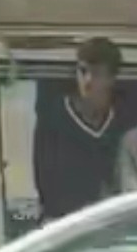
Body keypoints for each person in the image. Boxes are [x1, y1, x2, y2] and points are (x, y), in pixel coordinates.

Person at [33, 37, 126, 223]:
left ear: (111, 78)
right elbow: (43, 176)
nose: (88, 80)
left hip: (105, 223)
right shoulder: (53, 116)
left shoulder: (122, 119)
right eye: (83, 72)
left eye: (97, 73)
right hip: (62, 224)